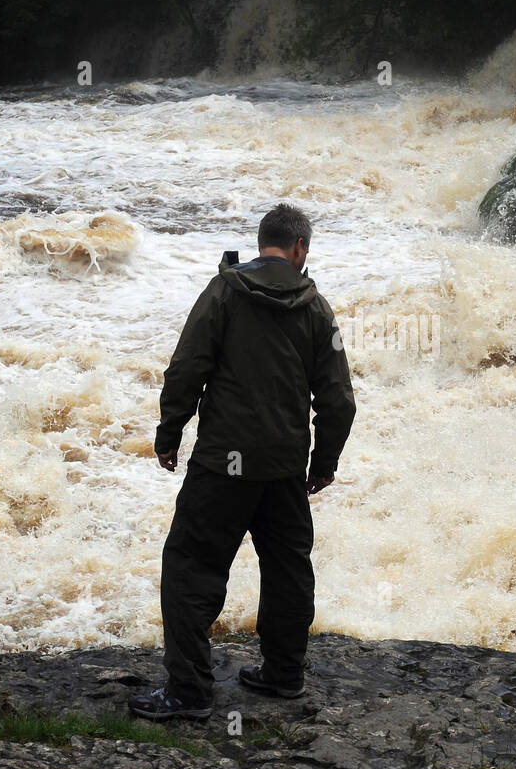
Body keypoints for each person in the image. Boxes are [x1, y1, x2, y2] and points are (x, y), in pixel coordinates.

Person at [130, 203, 356, 721]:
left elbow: (186, 367)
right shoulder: (316, 307)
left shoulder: (225, 292)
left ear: (263, 243)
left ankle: (189, 692)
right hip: (283, 469)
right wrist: (323, 463)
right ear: (299, 248)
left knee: (192, 568)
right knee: (288, 571)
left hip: (221, 466)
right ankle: (283, 676)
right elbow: (339, 400)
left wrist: (170, 433)